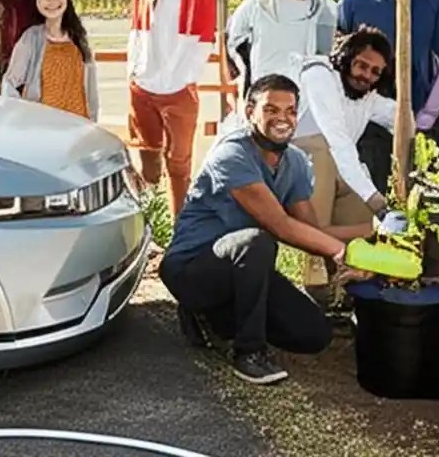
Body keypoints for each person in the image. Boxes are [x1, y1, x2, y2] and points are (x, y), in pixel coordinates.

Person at [159, 73, 372, 385]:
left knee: (314, 334)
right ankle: (249, 353)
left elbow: (311, 230)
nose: (282, 119)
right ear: (250, 112)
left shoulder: (296, 161)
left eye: (289, 111)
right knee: (258, 241)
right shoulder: (232, 155)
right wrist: (340, 251)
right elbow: (281, 226)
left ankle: (215, 318)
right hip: (192, 268)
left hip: (246, 269)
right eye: (271, 110)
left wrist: (371, 231)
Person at [290, 26, 420, 296]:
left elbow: (402, 118)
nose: (366, 76)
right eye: (362, 65)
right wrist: (379, 203)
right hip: (295, 165)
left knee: (364, 217)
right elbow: (335, 137)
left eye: (375, 72)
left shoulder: (368, 97)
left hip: (341, 165)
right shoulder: (319, 73)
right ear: (346, 57)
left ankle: (347, 289)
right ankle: (317, 285)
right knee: (322, 152)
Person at [126, 0, 218, 219]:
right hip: (144, 87)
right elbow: (136, 29)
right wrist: (135, 70)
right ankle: (147, 227)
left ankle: (180, 233)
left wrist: (185, 76)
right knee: (148, 165)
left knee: (178, 166)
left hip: (179, 87)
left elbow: (206, 33)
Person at [334, 0, 439, 189]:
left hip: (423, 120)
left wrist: (428, 116)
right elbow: (338, 63)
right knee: (371, 200)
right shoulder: (353, 1)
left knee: (428, 202)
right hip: (370, 125)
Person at [225, 0, 337, 92]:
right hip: (263, 92)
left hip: (302, 96)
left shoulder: (325, 8)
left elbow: (323, 56)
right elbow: (233, 40)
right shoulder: (257, 1)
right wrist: (245, 74)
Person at [0, 0, 99, 121]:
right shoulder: (31, 38)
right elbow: (10, 82)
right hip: (44, 128)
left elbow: (91, 91)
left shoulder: (79, 39)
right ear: (35, 2)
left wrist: (92, 124)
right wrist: (22, 117)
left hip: (78, 127)